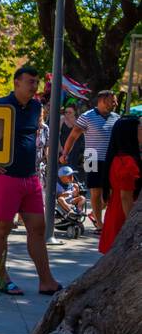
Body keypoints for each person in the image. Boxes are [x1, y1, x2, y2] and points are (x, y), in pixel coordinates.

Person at [0, 66, 59, 296]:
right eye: (30, 81)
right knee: (3, 228)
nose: (34, 86)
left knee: (38, 228)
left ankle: (46, 281)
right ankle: (2, 278)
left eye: (36, 82)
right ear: (16, 83)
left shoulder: (36, 106)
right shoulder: (0, 105)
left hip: (30, 177)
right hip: (4, 177)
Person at [60, 90, 118, 227]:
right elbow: (73, 136)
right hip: (92, 156)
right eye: (112, 100)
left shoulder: (116, 117)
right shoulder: (87, 117)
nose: (115, 103)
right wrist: (65, 153)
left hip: (111, 159)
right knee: (96, 192)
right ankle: (99, 223)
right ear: (103, 100)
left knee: (110, 194)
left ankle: (94, 214)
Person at [99, 115, 141, 254]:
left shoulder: (117, 158)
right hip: (122, 218)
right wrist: (132, 226)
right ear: (131, 134)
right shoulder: (128, 162)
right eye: (140, 128)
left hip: (114, 215)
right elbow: (126, 197)